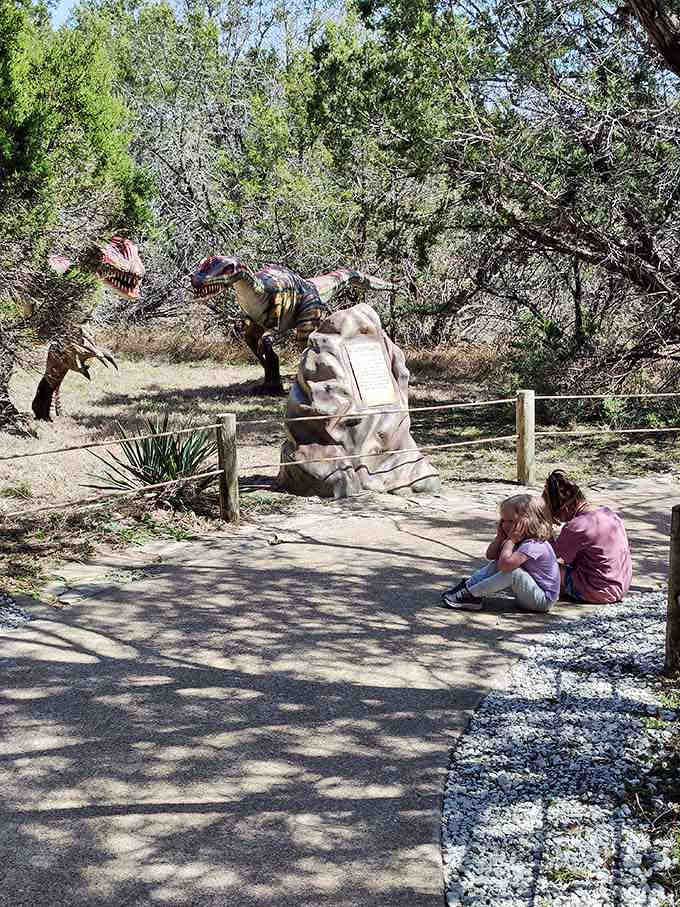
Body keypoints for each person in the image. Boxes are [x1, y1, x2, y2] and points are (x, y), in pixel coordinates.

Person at [442, 493, 560, 612]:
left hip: (542, 601)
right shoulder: (519, 540)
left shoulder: (535, 545)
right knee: (497, 563)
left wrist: (511, 540)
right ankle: (468, 587)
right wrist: (500, 537)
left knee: (513, 572)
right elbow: (491, 556)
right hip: (527, 594)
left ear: (529, 522)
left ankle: (472, 595)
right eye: (502, 520)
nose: (504, 525)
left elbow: (505, 566)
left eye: (510, 521)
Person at [542, 470, 632, 603]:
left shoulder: (576, 527)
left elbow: (548, 555)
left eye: (556, 515)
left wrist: (547, 524)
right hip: (621, 586)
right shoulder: (609, 514)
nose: (560, 520)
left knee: (541, 565)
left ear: (564, 508)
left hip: (599, 592)